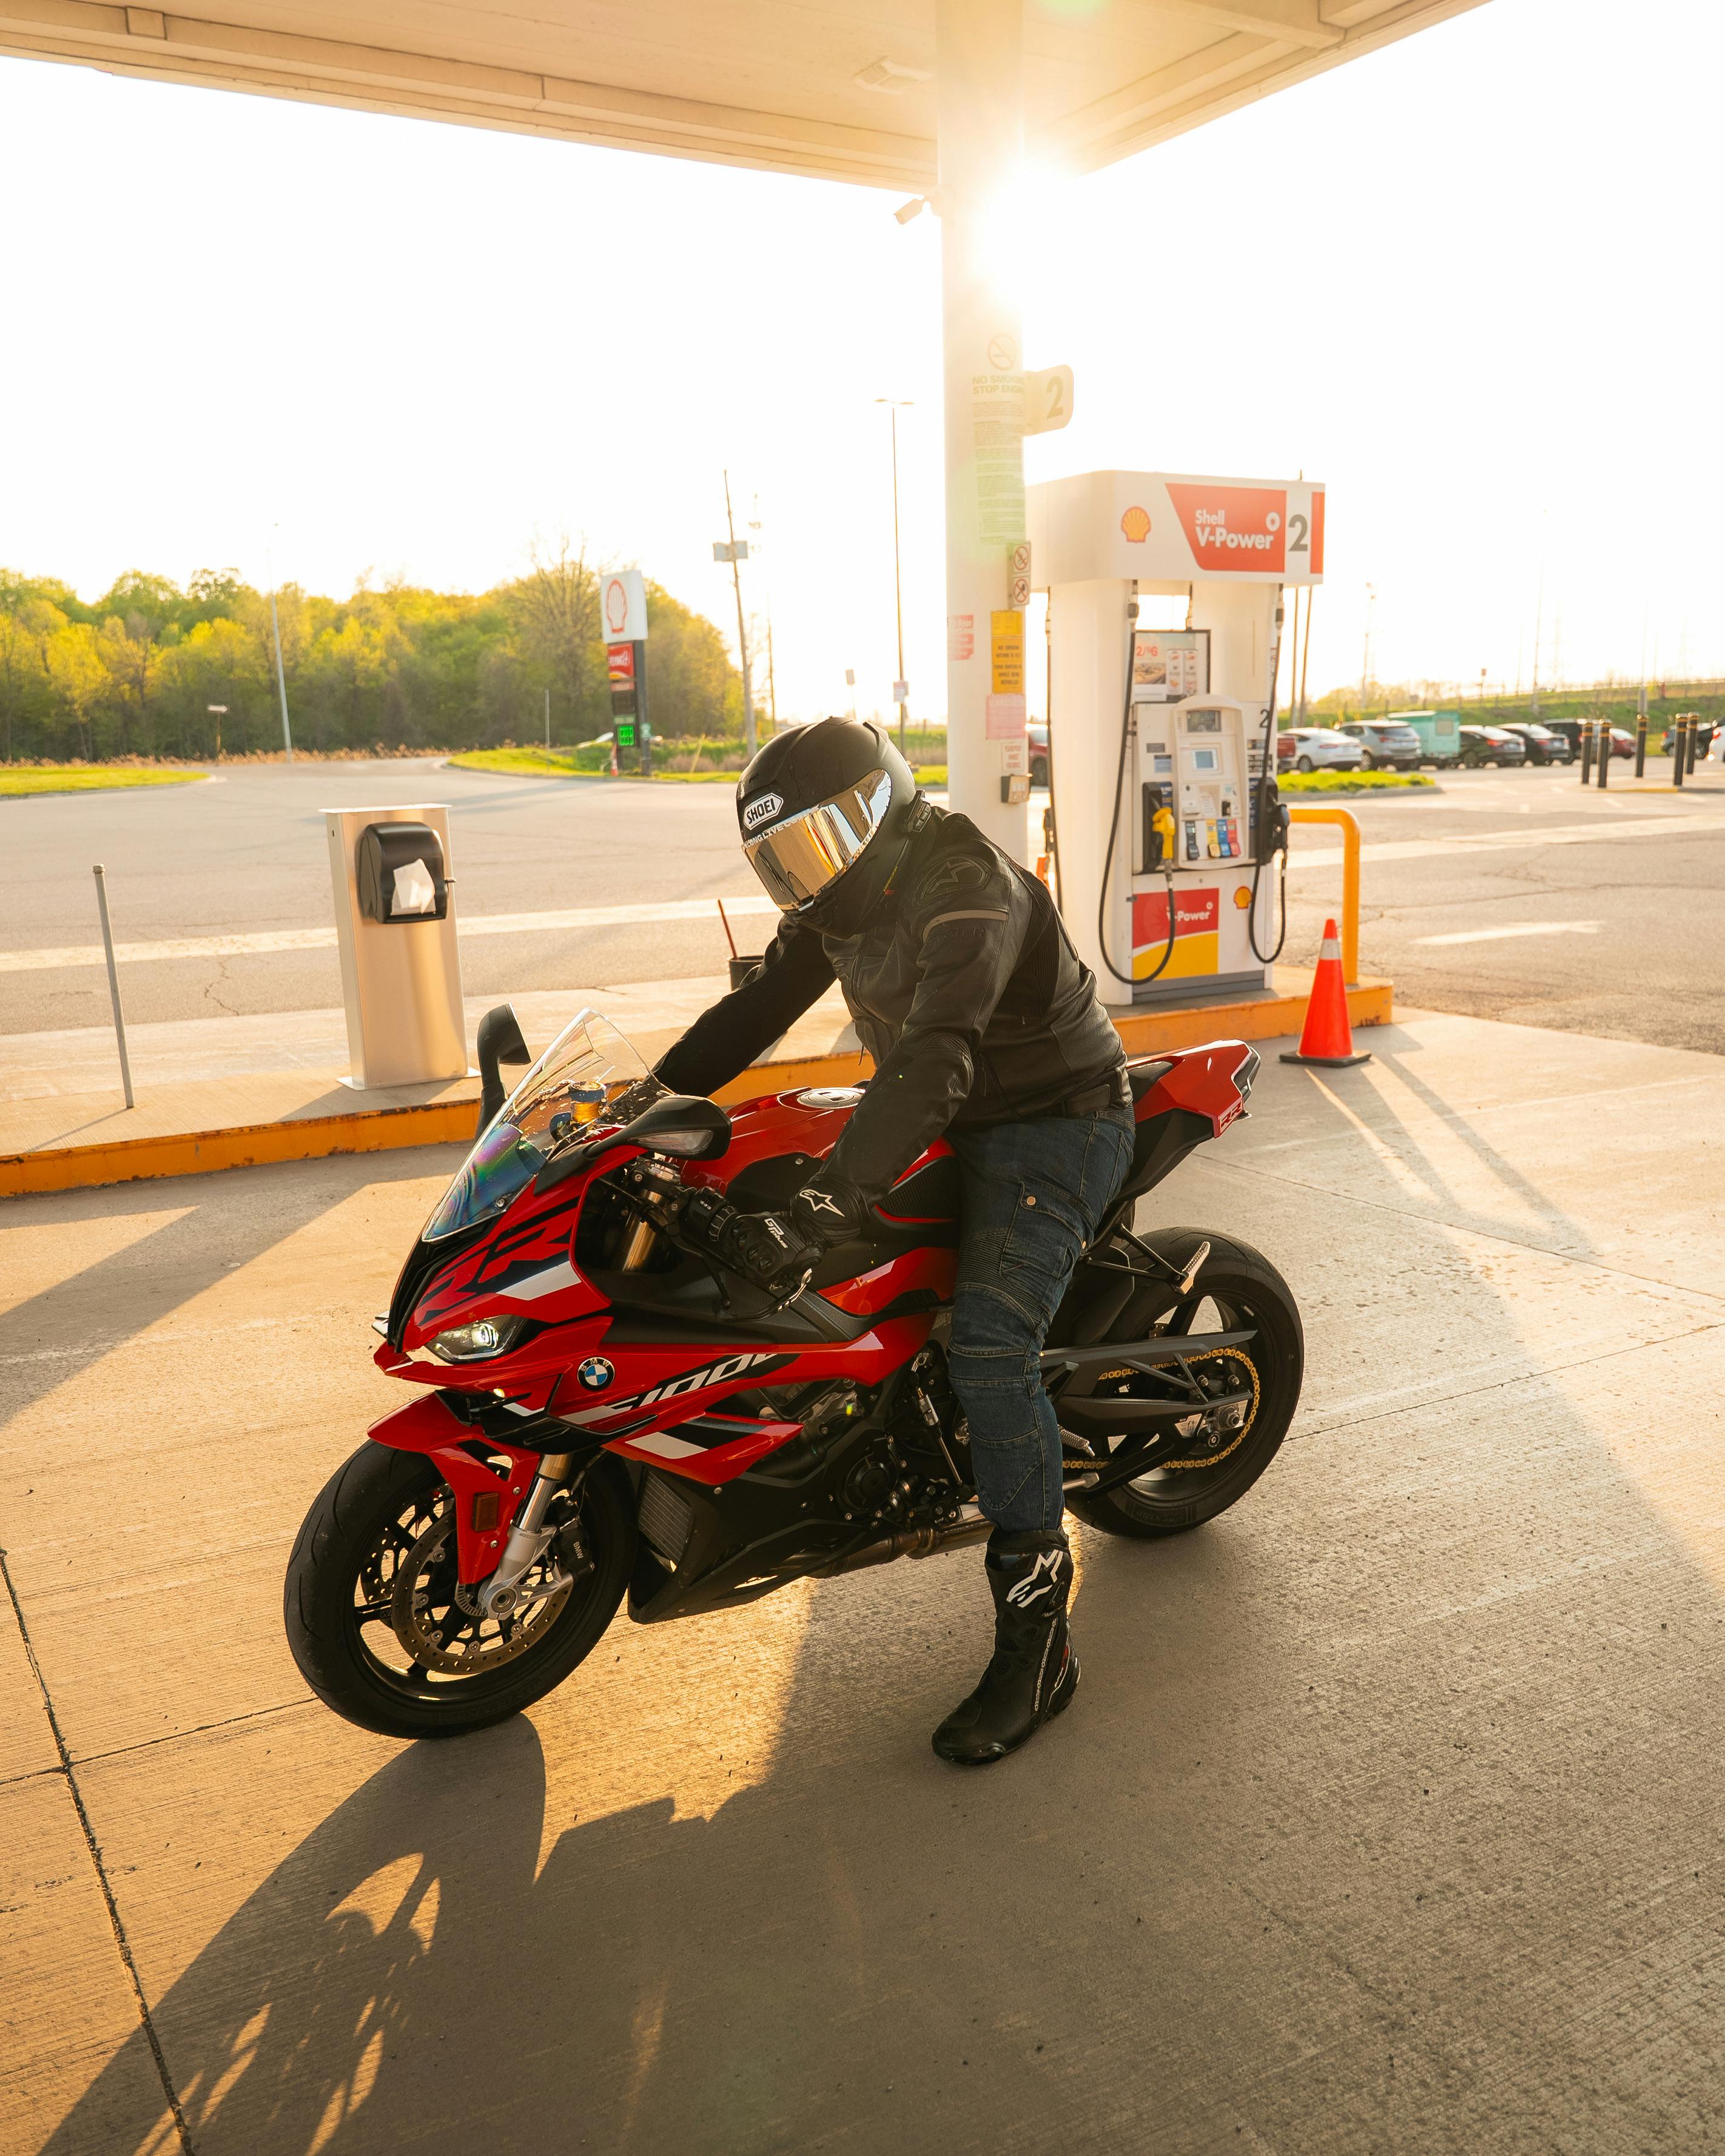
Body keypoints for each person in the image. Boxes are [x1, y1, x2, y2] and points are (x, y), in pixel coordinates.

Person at [653, 718, 1134, 1764]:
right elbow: (754, 1014)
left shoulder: (965, 883)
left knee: (990, 1354)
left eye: (814, 850)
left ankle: (1040, 1647)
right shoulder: (840, 908)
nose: (801, 880)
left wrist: (829, 1206)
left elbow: (934, 1059)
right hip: (943, 1109)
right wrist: (637, 1108)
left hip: (1053, 1120)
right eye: (780, 862)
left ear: (877, 816)